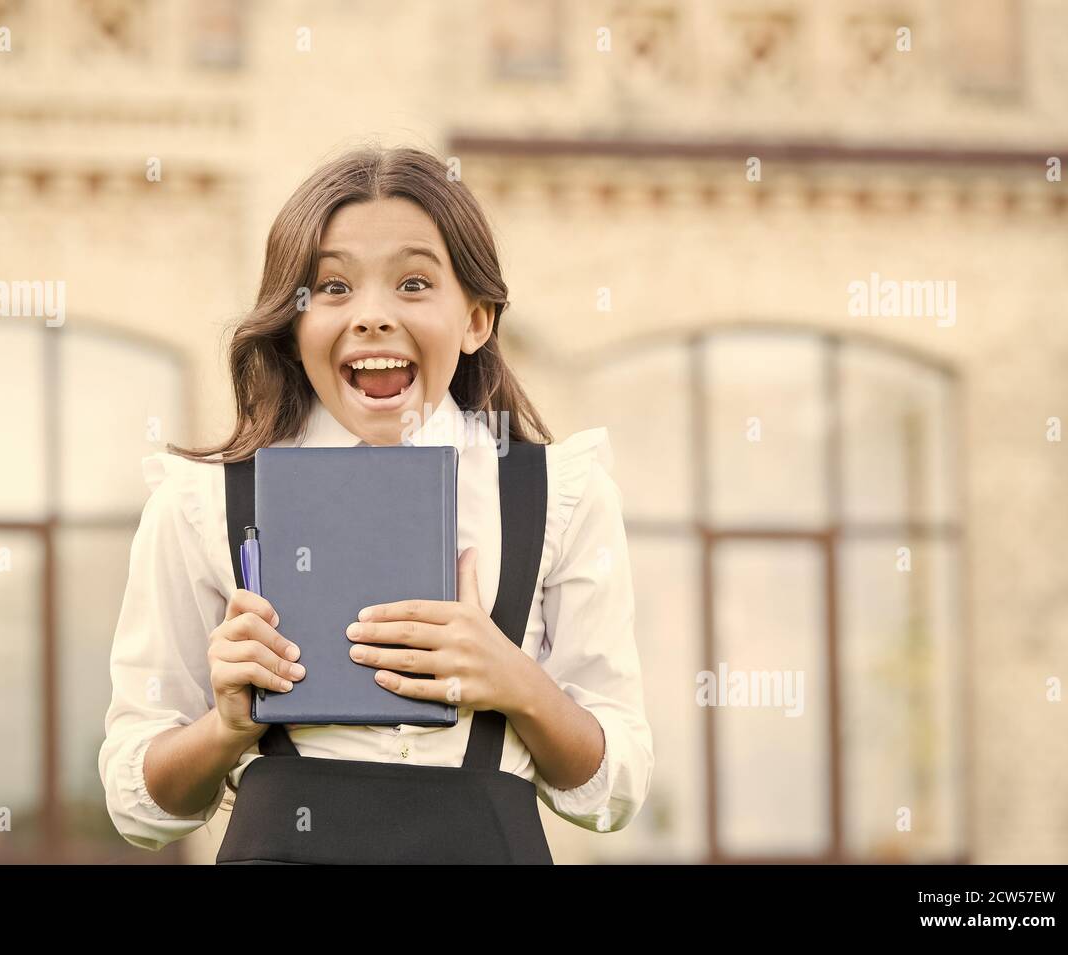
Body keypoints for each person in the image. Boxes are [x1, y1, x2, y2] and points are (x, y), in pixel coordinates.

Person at [97, 145, 654, 863]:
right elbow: (138, 806)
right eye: (332, 287)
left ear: (477, 318)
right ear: (294, 323)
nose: (371, 316)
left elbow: (613, 792)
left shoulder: (560, 495)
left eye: (414, 283)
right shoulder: (202, 502)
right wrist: (228, 723)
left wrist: (515, 680)